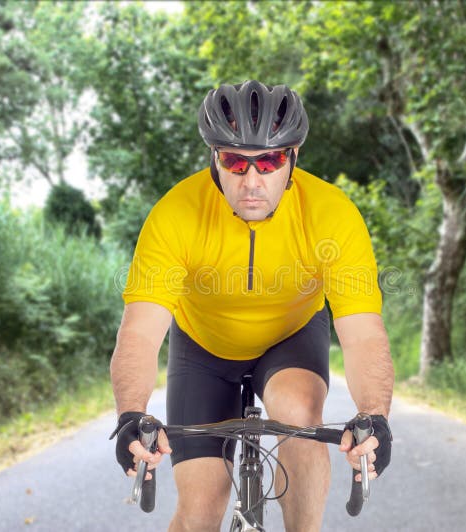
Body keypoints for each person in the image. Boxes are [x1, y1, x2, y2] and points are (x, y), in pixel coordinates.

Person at [109, 80, 394, 532]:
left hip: (291, 336)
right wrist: (130, 414)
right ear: (214, 159)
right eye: (235, 162)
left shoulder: (332, 215)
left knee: (299, 415)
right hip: (203, 346)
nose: (252, 180)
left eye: (270, 161)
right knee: (200, 510)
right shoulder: (175, 215)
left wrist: (374, 414)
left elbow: (362, 334)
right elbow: (141, 335)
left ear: (294, 156)